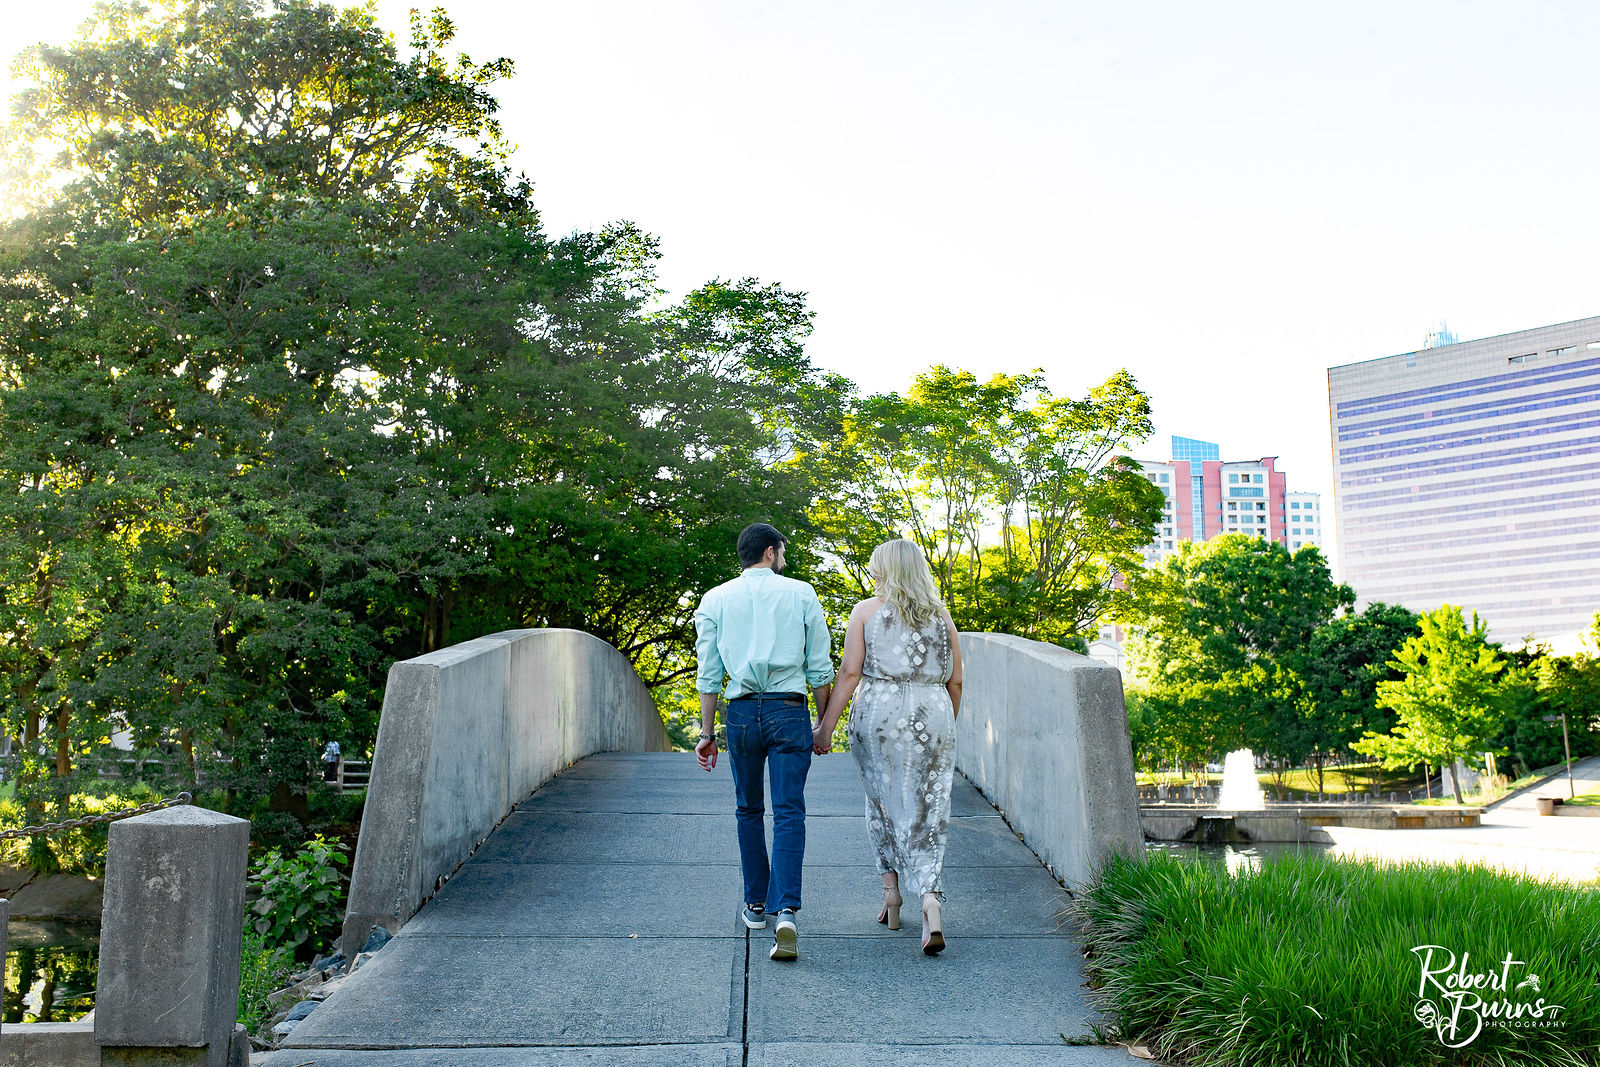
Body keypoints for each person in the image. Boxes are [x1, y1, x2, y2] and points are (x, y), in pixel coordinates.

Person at [813, 538, 962, 955]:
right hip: (931, 712)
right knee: (929, 807)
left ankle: (892, 895)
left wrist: (825, 728)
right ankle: (930, 900)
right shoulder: (943, 618)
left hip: (878, 714)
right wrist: (944, 725)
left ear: (886, 570)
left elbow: (848, 673)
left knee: (881, 802)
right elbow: (956, 681)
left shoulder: (865, 611)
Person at [694, 523, 834, 961]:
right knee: (789, 811)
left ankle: (755, 904)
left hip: (740, 714)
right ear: (771, 552)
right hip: (788, 709)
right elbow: (819, 667)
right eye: (783, 552)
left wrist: (706, 733)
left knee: (748, 809)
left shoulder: (715, 599)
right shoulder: (801, 593)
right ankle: (786, 911)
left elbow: (709, 672)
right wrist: (824, 724)